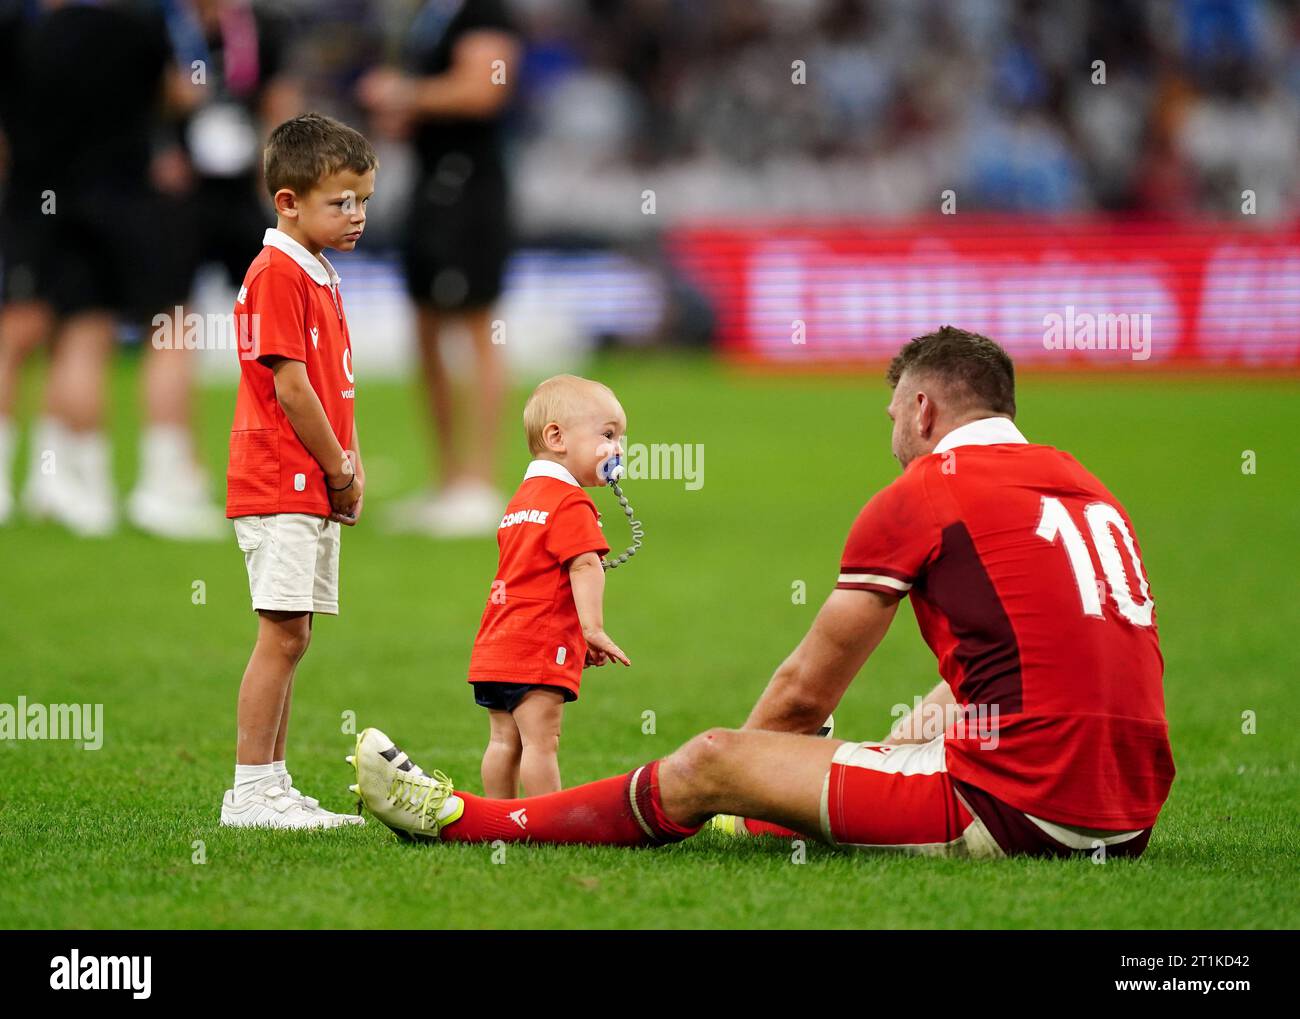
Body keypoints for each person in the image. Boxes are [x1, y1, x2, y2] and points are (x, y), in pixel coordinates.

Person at [350, 327, 1176, 859]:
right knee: (908, 728)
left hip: (1020, 807)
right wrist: (916, 729)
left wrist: (746, 773)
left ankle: (464, 817)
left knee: (715, 756)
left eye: (893, 416)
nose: (894, 437)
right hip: (1130, 808)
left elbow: (805, 691)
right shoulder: (1085, 484)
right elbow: (1053, 649)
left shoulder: (925, 491)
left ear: (923, 410)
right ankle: (787, 805)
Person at [220, 113, 377, 829]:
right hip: (280, 478)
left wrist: (350, 462)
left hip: (309, 479)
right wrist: (339, 468)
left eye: (364, 200)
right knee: (279, 634)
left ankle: (274, 784)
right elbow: (291, 387)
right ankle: (251, 791)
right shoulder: (277, 273)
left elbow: (336, 383)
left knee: (295, 634)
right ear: (288, 201)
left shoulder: (317, 271)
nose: (358, 215)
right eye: (341, 201)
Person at [355, 0, 522, 537]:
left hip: (467, 192)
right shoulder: (428, 18)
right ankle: (448, 480)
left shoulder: (482, 12)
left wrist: (404, 93)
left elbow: (484, 90)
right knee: (426, 328)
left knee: (475, 327)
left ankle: (480, 481)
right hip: (431, 188)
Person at [471, 375, 631, 799]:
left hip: (497, 641)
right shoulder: (571, 501)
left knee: (503, 741)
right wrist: (592, 629)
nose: (617, 449)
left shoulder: (522, 499)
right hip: (537, 646)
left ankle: (500, 818)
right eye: (608, 435)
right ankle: (545, 821)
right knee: (541, 742)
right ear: (557, 437)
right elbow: (585, 565)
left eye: (620, 438)